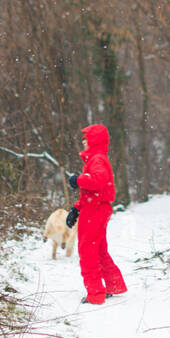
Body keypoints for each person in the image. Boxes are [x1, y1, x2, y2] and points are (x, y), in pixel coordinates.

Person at [66, 123, 127, 305]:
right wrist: (76, 208)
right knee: (98, 249)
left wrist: (78, 179)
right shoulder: (96, 159)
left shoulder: (97, 160)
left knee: (88, 250)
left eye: (86, 138)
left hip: (95, 210)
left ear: (94, 140)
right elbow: (92, 193)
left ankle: (95, 293)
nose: (83, 142)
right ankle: (112, 285)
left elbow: (98, 182)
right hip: (96, 208)